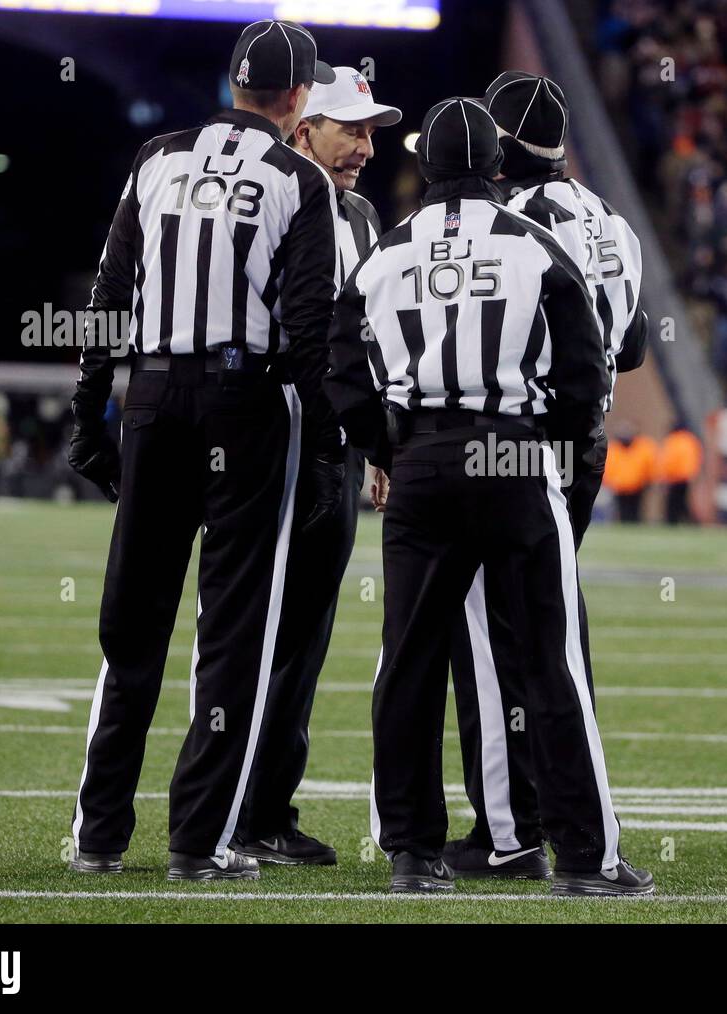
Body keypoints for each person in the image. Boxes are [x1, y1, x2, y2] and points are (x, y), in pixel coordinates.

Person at [324, 96, 653, 896]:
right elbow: (586, 372)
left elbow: (341, 370)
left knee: (408, 661)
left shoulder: (385, 252)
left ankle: (413, 853)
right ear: (496, 166)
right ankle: (583, 858)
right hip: (515, 451)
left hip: (423, 461)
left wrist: (386, 445)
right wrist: (561, 451)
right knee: (552, 661)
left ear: (425, 167)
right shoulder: (536, 246)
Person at [67, 20, 342, 881]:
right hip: (245, 404)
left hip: (152, 397)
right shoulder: (300, 180)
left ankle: (100, 835)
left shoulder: (157, 158)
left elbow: (109, 296)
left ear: (233, 83)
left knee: (131, 626)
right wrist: (339, 438)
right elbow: (306, 340)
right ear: (298, 101)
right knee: (233, 628)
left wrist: (90, 414)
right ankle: (198, 841)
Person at [441, 71, 651, 879]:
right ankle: (562, 812)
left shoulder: (508, 224)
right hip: (584, 440)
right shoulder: (612, 221)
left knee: (494, 636)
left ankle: (510, 826)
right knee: (551, 625)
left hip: (514, 438)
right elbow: (628, 350)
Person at [222, 67, 401, 867]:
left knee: (304, 637)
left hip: (337, 447)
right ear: (301, 129)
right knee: (245, 632)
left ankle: (265, 809)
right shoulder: (272, 203)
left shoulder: (362, 214)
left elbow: (371, 339)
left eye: (370, 131)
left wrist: (374, 442)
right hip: (271, 440)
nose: (365, 145)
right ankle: (221, 812)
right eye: (349, 128)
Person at [657, 425, 702, 524]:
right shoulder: (690, 440)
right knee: (681, 502)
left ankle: (673, 521)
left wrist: (663, 476)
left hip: (675, 477)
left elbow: (668, 460)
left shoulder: (673, 440)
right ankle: (690, 522)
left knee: (674, 502)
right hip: (685, 477)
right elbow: (693, 460)